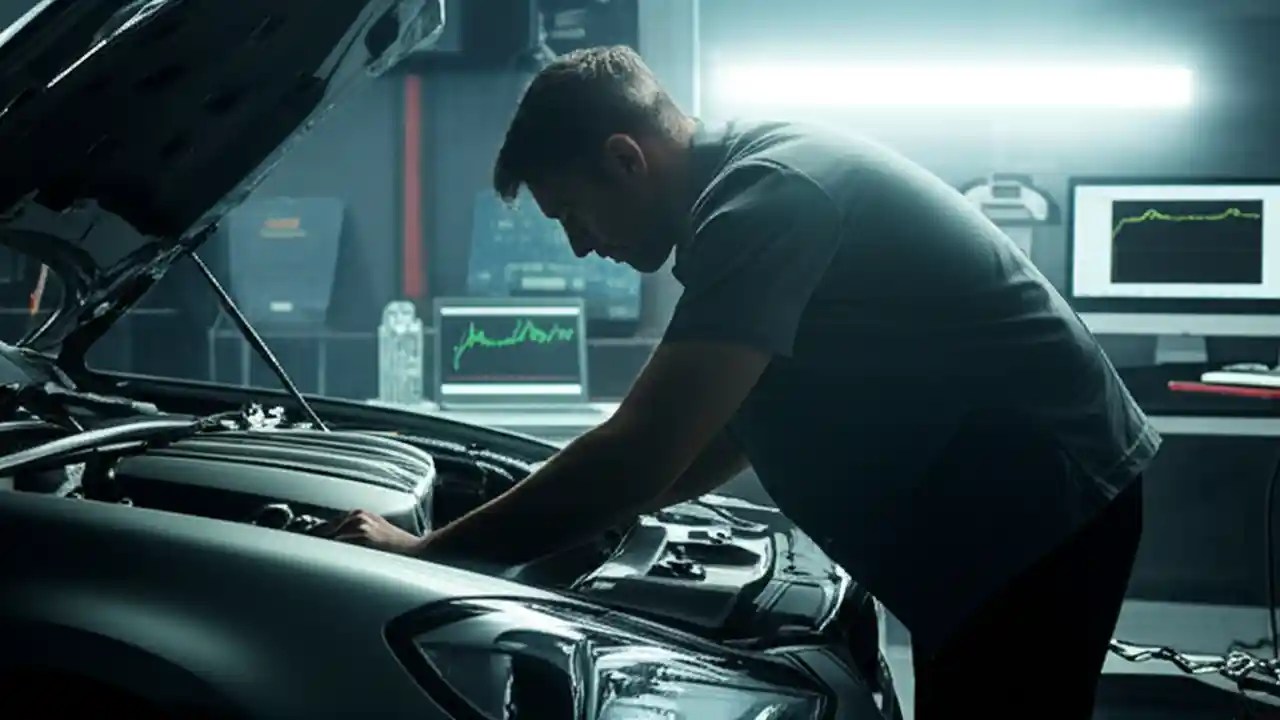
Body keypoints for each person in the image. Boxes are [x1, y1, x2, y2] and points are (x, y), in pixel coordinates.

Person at [320, 45, 1158, 717]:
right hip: (1007, 520)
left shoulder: (766, 201)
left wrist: (427, 553)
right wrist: (584, 521)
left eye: (572, 213)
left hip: (1043, 514)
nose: (579, 245)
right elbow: (720, 429)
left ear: (625, 159)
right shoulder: (752, 185)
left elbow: (643, 450)